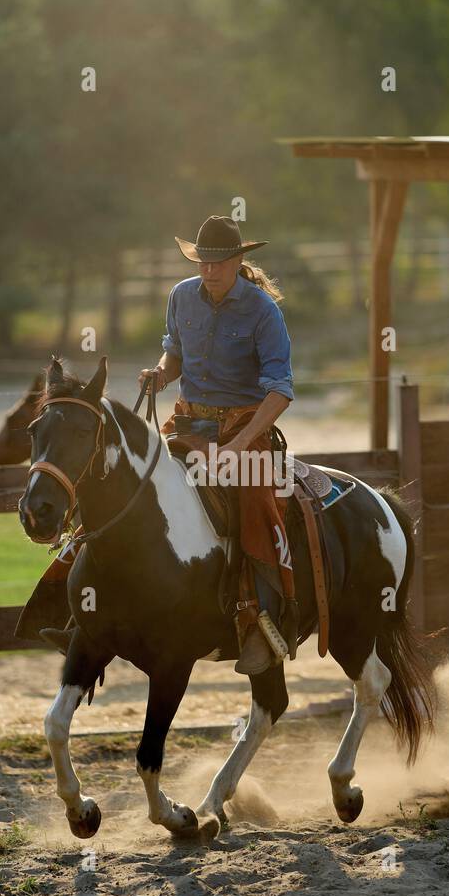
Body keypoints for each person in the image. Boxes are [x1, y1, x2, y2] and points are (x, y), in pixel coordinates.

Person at [139, 214, 297, 674]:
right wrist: (161, 374)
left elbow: (280, 390)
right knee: (133, 478)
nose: (209, 271)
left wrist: (241, 444)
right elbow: (175, 353)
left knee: (256, 506)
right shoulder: (181, 296)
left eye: (218, 263)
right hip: (189, 423)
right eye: (203, 263)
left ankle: (262, 619)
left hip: (244, 428)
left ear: (237, 260)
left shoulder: (263, 311)